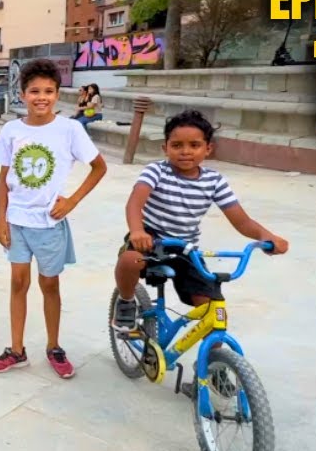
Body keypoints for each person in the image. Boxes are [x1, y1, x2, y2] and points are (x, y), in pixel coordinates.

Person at [111, 110, 288, 332]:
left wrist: (266, 236)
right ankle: (126, 301)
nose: (185, 152)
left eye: (194, 145)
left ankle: (215, 360)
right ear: (165, 148)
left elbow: (241, 221)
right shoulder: (156, 171)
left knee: (213, 309)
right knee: (130, 261)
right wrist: (137, 231)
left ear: (208, 149)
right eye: (177, 145)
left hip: (186, 249)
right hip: (151, 239)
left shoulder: (214, 181)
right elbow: (135, 204)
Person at [0, 58, 108, 379]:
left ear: (58, 94)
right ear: (23, 94)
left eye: (49, 91)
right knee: (18, 283)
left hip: (49, 224)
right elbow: (3, 178)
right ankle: (16, 350)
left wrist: (72, 201)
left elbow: (99, 167)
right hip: (17, 222)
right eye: (34, 91)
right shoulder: (12, 130)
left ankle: (54, 346)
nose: (42, 97)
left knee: (49, 284)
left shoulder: (69, 129)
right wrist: (1, 221)